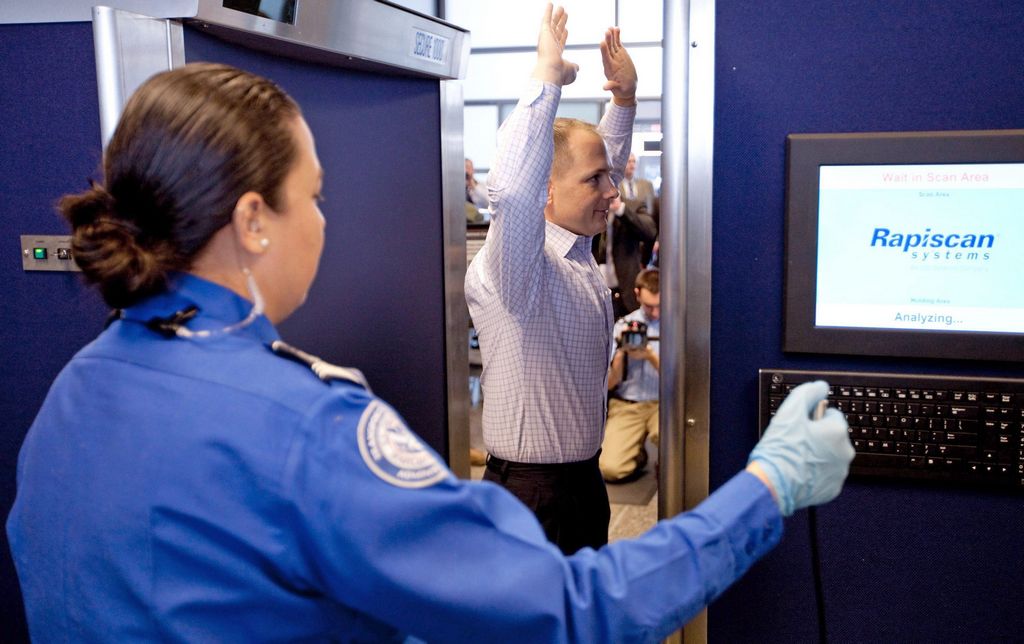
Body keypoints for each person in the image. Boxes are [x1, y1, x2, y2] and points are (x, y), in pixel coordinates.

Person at [6, 13, 856, 644]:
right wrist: (766, 489)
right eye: (316, 194)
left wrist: (615, 102)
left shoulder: (77, 392)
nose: (326, 223)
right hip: (535, 485)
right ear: (255, 219)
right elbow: (573, 611)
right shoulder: (311, 424)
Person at [464, 4, 638, 554]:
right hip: (531, 498)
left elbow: (589, 164)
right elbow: (512, 191)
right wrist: (546, 78)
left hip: (580, 485)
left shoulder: (577, 254)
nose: (613, 192)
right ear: (546, 191)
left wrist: (623, 102)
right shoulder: (518, 270)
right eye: (597, 181)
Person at [600, 268, 661, 482]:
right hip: (628, 403)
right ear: (637, 294)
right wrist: (620, 358)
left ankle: (660, 456)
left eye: (659, 306)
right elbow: (608, 385)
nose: (654, 313)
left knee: (679, 451)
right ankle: (637, 453)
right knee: (610, 469)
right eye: (649, 306)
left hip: (662, 404)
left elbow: (683, 382)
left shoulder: (676, 326)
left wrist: (651, 356)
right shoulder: (621, 327)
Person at [592, 194, 657, 318]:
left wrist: (621, 209)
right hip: (596, 291)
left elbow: (650, 232)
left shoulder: (633, 205)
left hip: (624, 290)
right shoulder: (594, 206)